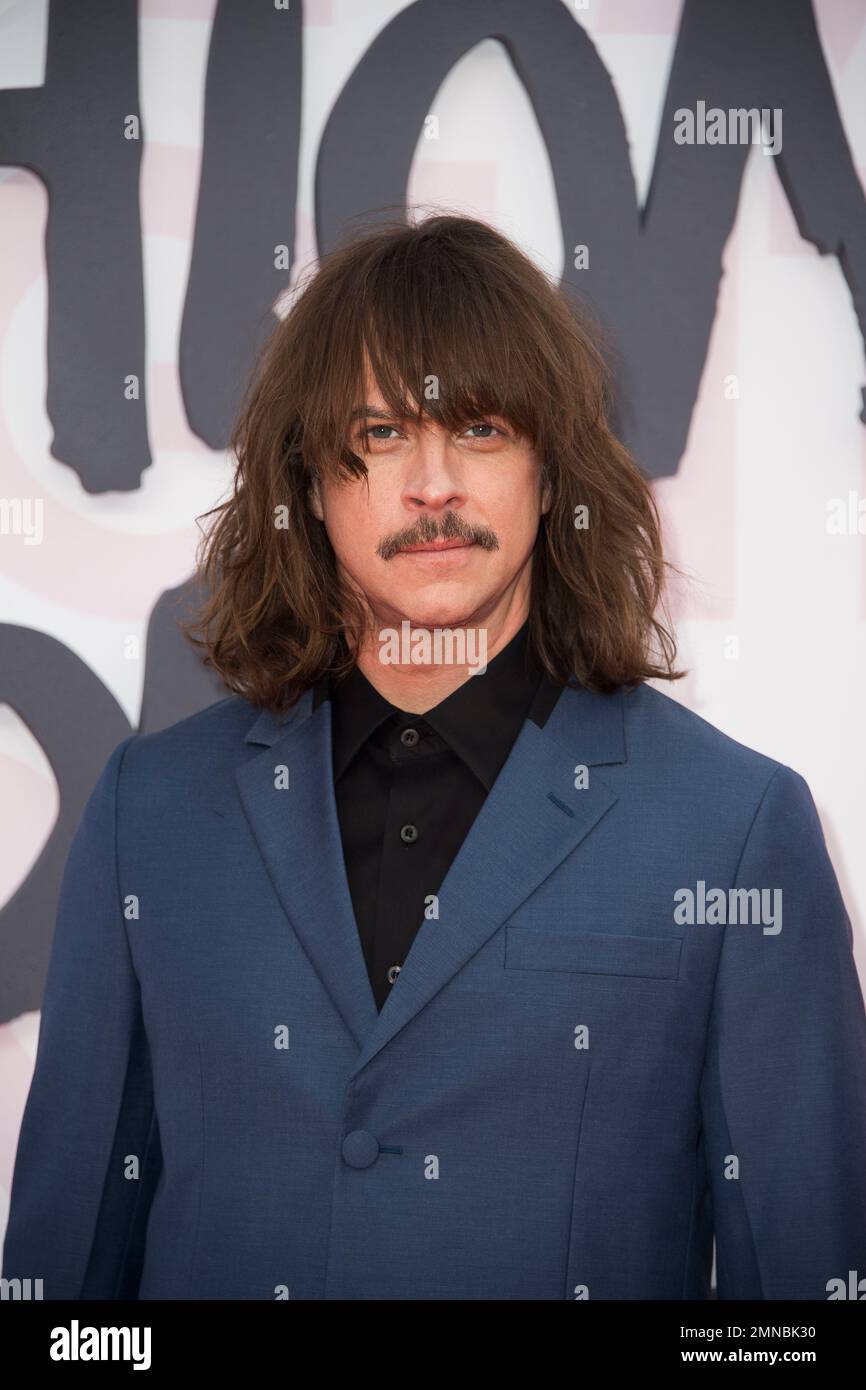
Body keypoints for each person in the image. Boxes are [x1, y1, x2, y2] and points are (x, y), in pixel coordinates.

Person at [4, 214, 866, 1300]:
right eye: (376, 435)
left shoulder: (733, 832)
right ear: (309, 488)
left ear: (551, 475)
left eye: (480, 428)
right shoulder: (152, 816)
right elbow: (66, 1281)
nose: (431, 486)